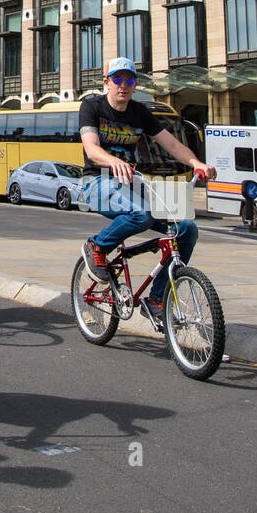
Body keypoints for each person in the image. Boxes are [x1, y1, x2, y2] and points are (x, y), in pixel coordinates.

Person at [80, 57, 215, 323]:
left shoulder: (140, 112)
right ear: (106, 82)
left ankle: (156, 298)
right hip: (98, 181)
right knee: (141, 213)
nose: (123, 86)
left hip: (132, 183)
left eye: (129, 80)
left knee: (186, 228)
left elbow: (172, 145)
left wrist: (197, 163)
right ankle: (96, 245)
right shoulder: (92, 106)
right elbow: (92, 150)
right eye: (117, 79)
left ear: (135, 85)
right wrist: (114, 160)